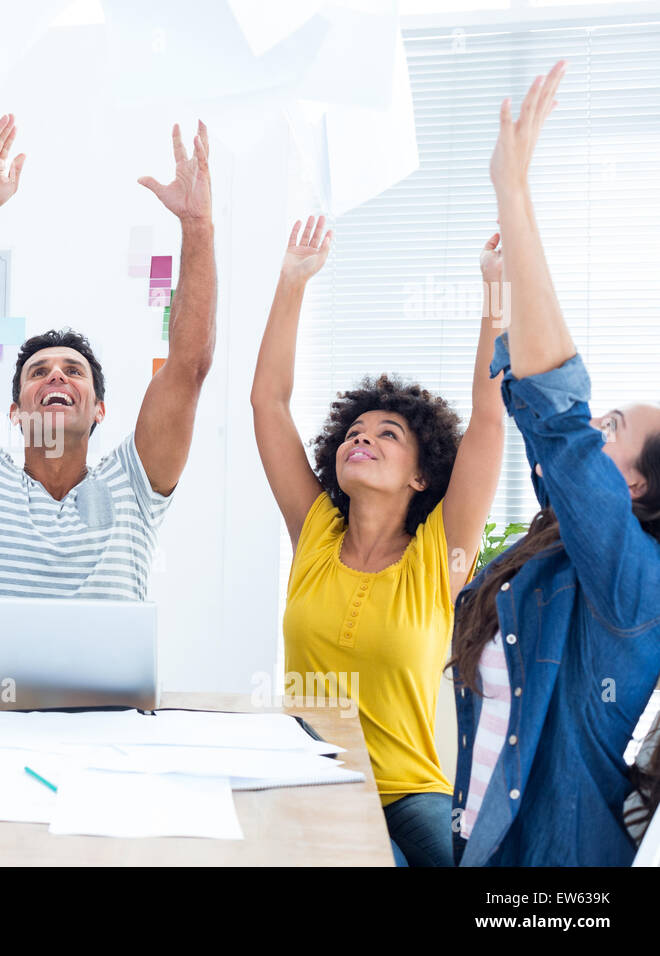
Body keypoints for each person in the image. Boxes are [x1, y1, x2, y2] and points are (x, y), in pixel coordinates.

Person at [449, 60, 660, 866]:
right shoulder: (569, 552)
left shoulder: (632, 583)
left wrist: (515, 191)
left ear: (636, 485)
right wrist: (498, 295)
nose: (591, 429)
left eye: (617, 428)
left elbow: (559, 420)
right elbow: (539, 412)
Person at [251, 214, 507, 866]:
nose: (361, 437)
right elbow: (269, 404)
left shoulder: (438, 555)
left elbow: (487, 420)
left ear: (422, 475)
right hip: (310, 781)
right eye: (354, 431)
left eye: (387, 434)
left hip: (410, 791)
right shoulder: (314, 534)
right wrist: (292, 283)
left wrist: (496, 293)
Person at [0, 116, 216, 600]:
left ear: (99, 409)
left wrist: (197, 226)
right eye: (39, 372)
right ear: (15, 413)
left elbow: (189, 367)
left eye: (73, 371)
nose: (56, 373)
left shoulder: (132, 487)